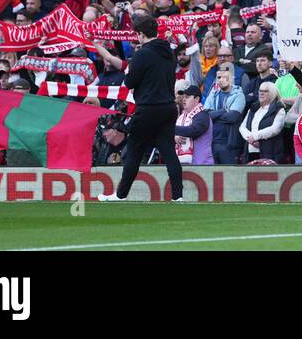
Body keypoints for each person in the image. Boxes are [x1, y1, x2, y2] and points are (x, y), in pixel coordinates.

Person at [100, 13, 185, 202]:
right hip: (168, 107)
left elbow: (129, 83)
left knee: (135, 151)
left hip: (148, 108)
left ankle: (120, 195)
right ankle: (178, 196)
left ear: (140, 34)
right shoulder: (169, 52)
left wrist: (129, 70)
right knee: (169, 151)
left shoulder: (142, 54)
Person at [203, 62, 246, 164]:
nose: (221, 80)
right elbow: (205, 115)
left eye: (225, 77)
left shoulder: (239, 95)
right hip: (212, 142)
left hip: (230, 144)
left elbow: (232, 117)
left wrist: (214, 115)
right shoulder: (213, 94)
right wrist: (223, 111)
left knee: (230, 176)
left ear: (231, 78)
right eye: (219, 77)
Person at [239, 81, 287, 162]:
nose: (261, 93)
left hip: (269, 152)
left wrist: (255, 137)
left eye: (265, 91)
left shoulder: (279, 109)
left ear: (272, 93)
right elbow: (242, 127)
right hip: (250, 151)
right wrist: (250, 139)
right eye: (260, 91)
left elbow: (275, 129)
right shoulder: (253, 108)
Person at [173, 85, 213, 165]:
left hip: (202, 164)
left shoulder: (203, 115)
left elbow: (193, 130)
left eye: (187, 97)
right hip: (186, 164)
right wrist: (175, 137)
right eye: (183, 97)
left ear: (197, 99)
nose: (183, 99)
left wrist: (171, 129)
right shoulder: (182, 116)